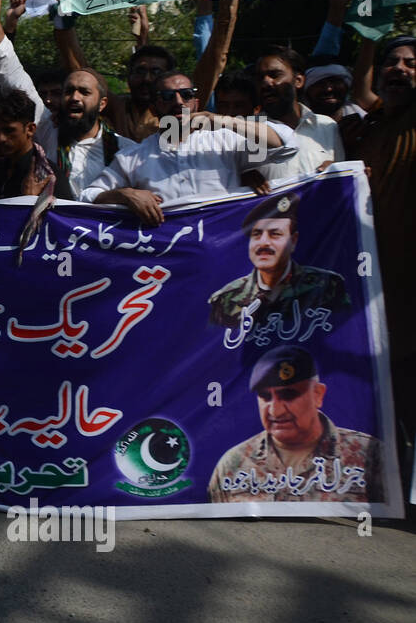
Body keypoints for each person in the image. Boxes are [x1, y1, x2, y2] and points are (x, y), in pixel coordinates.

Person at [53, 0, 244, 141]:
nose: (146, 79)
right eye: (140, 72)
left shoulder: (186, 104)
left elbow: (215, 56)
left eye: (156, 73)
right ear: (128, 77)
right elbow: (80, 70)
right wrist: (63, 7)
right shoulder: (118, 109)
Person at [79, 71, 297, 225]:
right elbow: (88, 196)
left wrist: (224, 121)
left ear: (196, 102)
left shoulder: (226, 141)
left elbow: (287, 144)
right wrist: (125, 195)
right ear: (154, 108)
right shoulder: (132, 157)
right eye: (166, 96)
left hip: (225, 252)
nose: (178, 102)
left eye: (186, 94)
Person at [0, 0, 125, 198]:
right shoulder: (46, 129)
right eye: (68, 90)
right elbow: (9, 70)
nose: (74, 97)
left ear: (102, 103)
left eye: (84, 92)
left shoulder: (126, 150)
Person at [342, 35, 416, 443]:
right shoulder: (369, 126)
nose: (399, 69)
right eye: (392, 62)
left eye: (411, 63)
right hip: (377, 289)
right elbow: (362, 91)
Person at [208, 345, 382, 503]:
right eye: (266, 397)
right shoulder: (233, 464)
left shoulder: (369, 454)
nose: (276, 411)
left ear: (318, 395)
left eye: (289, 395)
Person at [208, 193, 348, 329]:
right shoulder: (226, 299)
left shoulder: (328, 285)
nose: (263, 243)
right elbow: (215, 346)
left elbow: (347, 331)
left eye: (275, 234)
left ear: (293, 241)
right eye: (256, 234)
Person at [248, 46, 343, 185]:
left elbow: (343, 181)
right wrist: (246, 177)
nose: (265, 83)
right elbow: (241, 181)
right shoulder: (249, 130)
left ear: (298, 80)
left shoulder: (327, 126)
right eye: (259, 78)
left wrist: (335, 170)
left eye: (274, 75)